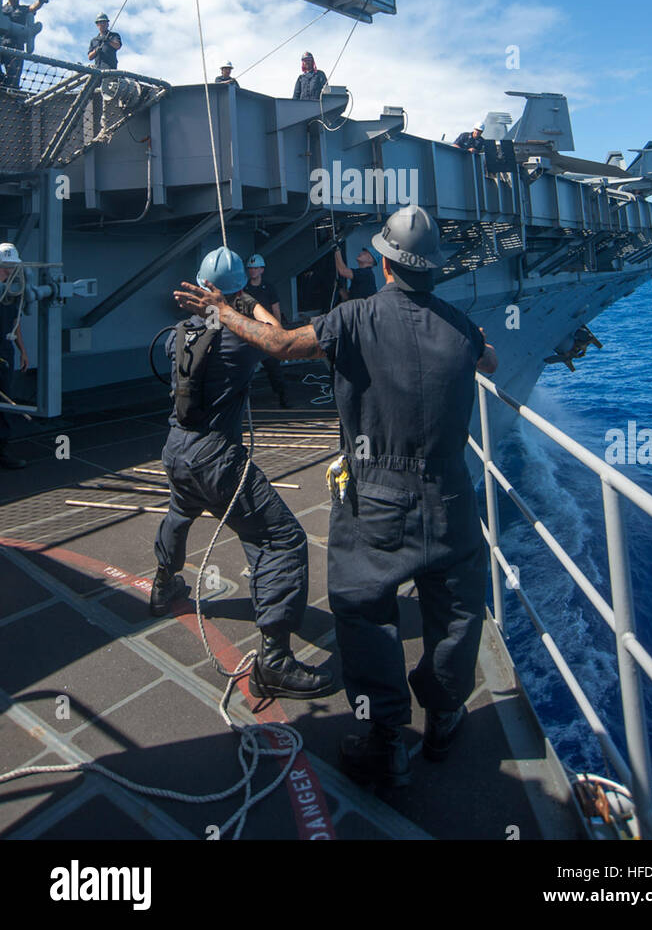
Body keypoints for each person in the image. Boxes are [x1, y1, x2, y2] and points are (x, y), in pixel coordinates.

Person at [174, 206, 498, 788]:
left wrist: (222, 310)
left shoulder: (353, 317)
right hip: (450, 494)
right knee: (454, 614)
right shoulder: (462, 326)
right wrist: (472, 337)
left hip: (377, 493)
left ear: (389, 265)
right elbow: (489, 358)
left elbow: (277, 344)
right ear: (434, 269)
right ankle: (445, 717)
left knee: (364, 610)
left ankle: (384, 739)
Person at [155, 245, 333, 700]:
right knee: (280, 539)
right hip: (215, 457)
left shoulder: (180, 332)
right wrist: (245, 303)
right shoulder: (239, 339)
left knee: (180, 510)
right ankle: (273, 660)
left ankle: (164, 582)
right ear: (235, 291)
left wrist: (220, 303)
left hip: (176, 449)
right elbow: (280, 339)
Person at [242, 254, 289, 408]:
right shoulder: (244, 289)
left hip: (267, 333)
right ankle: (242, 401)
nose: (253, 271)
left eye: (256, 268)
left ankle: (282, 396)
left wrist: (278, 331)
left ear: (262, 270)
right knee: (245, 370)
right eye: (250, 268)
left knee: (274, 368)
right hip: (250, 334)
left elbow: (276, 309)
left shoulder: (268, 288)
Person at [0, 244, 29, 472]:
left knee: (5, 402)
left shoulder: (9, 294)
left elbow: (15, 323)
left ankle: (2, 450)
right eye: (8, 267)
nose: (10, 271)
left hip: (5, 352)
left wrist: (23, 351)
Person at [1, 0, 46, 88]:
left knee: (14, 74)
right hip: (2, 44)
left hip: (16, 45)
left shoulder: (23, 10)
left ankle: (11, 91)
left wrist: (40, 2)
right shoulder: (2, 10)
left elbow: (32, 8)